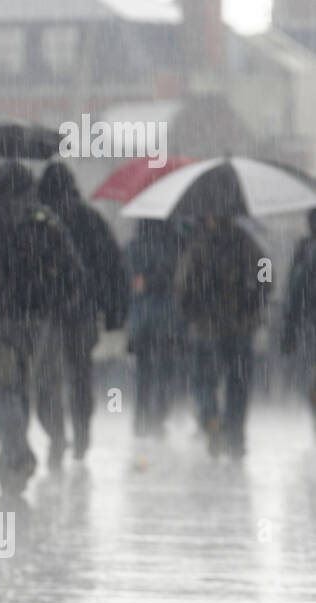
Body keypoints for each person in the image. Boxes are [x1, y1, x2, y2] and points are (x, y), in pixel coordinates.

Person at [0, 160, 83, 493]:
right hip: (38, 322)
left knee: (4, 391)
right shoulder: (46, 220)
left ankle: (16, 455)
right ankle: (12, 463)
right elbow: (74, 272)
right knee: (23, 390)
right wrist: (54, 304)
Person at [35, 163, 129, 465]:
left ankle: (56, 435)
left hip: (48, 312)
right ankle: (81, 432)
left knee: (47, 379)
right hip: (85, 314)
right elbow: (114, 267)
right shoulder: (91, 219)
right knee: (80, 376)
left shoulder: (40, 221)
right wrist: (114, 313)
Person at [175, 215, 268, 459]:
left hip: (205, 329)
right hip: (240, 327)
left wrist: (192, 312)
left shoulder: (198, 247)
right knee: (238, 383)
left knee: (203, 380)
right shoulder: (246, 243)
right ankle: (235, 434)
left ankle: (212, 420)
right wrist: (255, 297)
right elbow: (267, 275)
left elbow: (182, 288)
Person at [126, 218, 183, 437]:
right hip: (170, 320)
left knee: (143, 372)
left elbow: (125, 278)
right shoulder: (176, 243)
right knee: (166, 371)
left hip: (141, 320)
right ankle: (158, 416)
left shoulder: (133, 247)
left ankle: (141, 419)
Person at [281, 209, 316, 431]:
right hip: (308, 324)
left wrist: (288, 331)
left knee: (309, 378)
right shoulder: (304, 249)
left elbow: (294, 292)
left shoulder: (306, 250)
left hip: (309, 326)